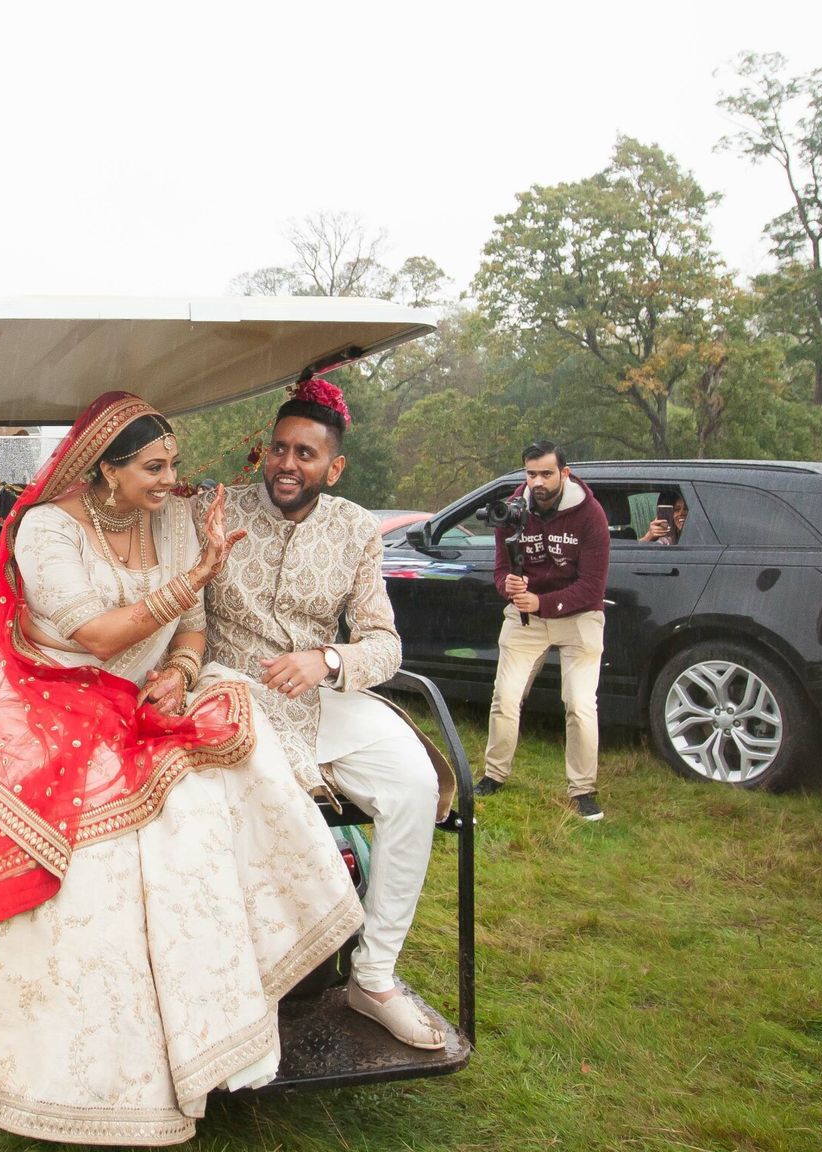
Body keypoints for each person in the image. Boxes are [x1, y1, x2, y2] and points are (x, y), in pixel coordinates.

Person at [0, 392, 364, 1147]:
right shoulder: (45, 528)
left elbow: (189, 630)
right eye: (154, 467)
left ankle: (221, 1025)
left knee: (215, 796)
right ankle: (66, 1062)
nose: (171, 480)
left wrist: (184, 671)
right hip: (52, 694)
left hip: (141, 699)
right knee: (91, 852)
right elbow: (94, 636)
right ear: (105, 469)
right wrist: (197, 577)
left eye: (174, 465)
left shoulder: (170, 518)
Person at [197, 376, 456, 1051]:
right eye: (279, 449)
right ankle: (237, 986)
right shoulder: (218, 510)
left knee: (413, 785)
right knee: (253, 802)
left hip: (319, 698)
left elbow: (385, 644)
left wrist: (328, 661)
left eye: (306, 454)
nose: (288, 464)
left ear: (333, 466)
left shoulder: (355, 528)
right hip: (230, 694)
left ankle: (372, 978)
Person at [478, 441, 611, 819]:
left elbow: (593, 585)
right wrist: (510, 588)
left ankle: (583, 789)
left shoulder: (590, 514)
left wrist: (544, 603)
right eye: (531, 473)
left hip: (579, 615)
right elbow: (502, 569)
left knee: (580, 703)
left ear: (564, 474)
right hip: (527, 618)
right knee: (505, 697)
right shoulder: (513, 511)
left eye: (546, 473)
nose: (537, 481)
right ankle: (494, 774)